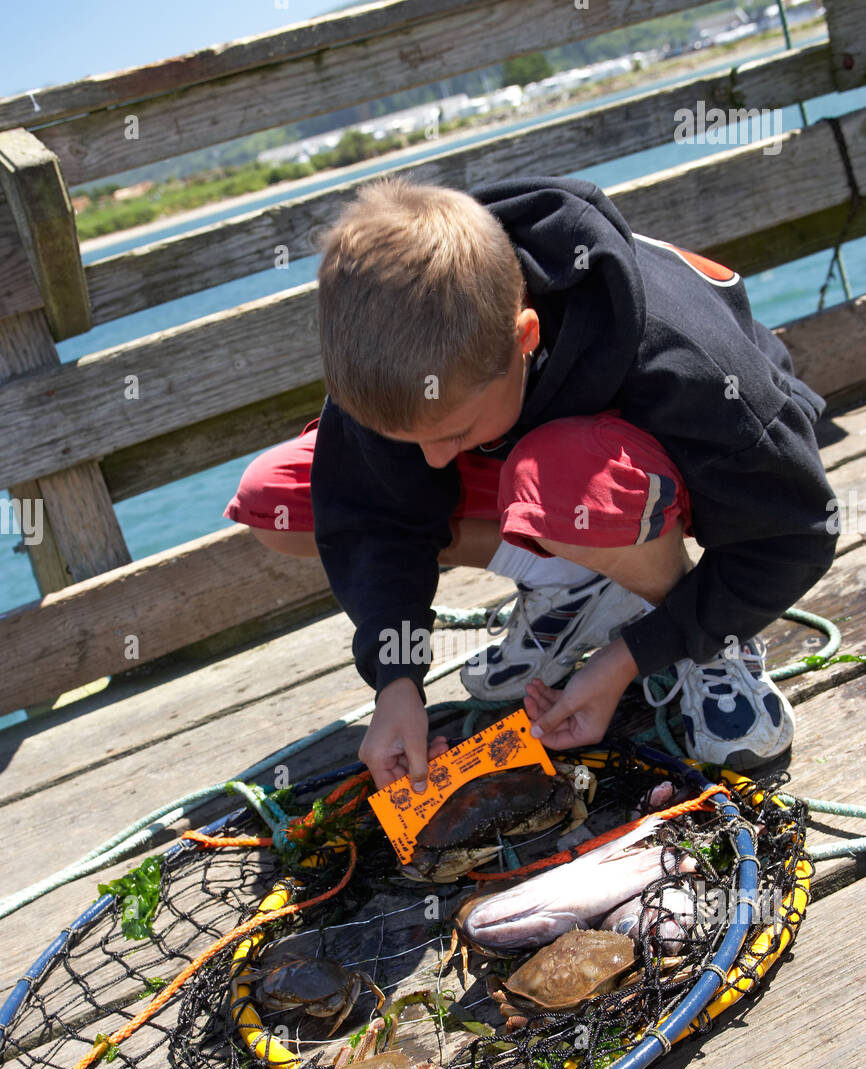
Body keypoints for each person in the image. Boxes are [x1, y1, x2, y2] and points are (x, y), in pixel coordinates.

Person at [225, 174, 836, 790]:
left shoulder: (688, 362)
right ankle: (578, 582)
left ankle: (707, 646)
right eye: (415, 440)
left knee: (562, 477)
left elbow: (792, 536)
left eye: (452, 432)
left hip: (678, 466)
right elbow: (372, 517)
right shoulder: (401, 342)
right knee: (280, 498)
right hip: (527, 454)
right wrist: (397, 679)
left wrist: (633, 656)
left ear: (526, 337)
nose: (434, 461)